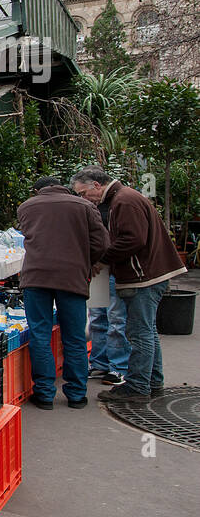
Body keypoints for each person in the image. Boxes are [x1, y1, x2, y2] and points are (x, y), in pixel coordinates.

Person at [72, 168, 188, 403]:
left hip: (144, 276)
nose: (84, 199)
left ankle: (138, 387)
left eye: (83, 193)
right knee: (146, 331)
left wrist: (103, 260)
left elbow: (133, 239)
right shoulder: (125, 197)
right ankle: (151, 382)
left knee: (139, 332)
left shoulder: (124, 201)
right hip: (149, 273)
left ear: (96, 185)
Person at [16, 176, 108, 410]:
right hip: (72, 278)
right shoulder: (85, 206)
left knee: (40, 333)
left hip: (36, 277)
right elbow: (101, 243)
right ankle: (77, 395)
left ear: (38, 190)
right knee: (75, 336)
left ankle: (44, 394)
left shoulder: (26, 207)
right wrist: (85, 261)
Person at [86, 190, 131, 388]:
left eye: (84, 191)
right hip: (97, 271)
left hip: (111, 269)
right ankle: (99, 363)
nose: (83, 196)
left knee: (116, 319)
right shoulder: (89, 208)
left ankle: (119, 367)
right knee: (97, 318)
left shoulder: (117, 206)